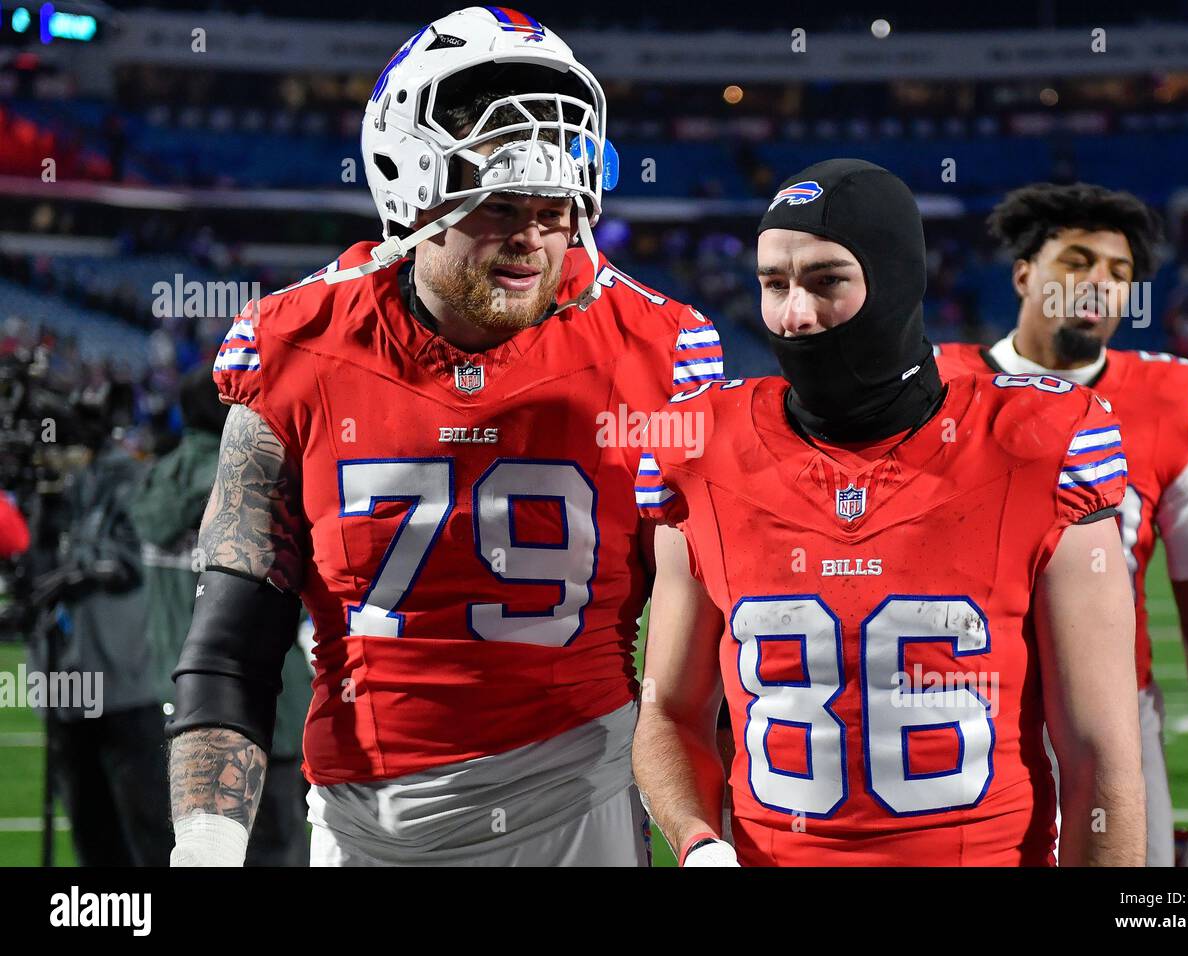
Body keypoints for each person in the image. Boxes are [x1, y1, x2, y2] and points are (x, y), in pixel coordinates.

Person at [166, 7, 724, 867]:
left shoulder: (658, 348)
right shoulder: (297, 342)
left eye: (554, 208)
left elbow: (708, 646)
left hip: (582, 805)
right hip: (364, 824)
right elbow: (233, 643)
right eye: (499, 206)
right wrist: (204, 847)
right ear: (412, 191)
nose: (533, 239)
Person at [632, 159, 1144, 866]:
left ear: (896, 278)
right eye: (774, 284)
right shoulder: (699, 448)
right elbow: (669, 711)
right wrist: (696, 842)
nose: (795, 314)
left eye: (826, 280)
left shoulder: (1034, 444)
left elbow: (1099, 755)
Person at [935, 182, 1188, 867]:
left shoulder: (1170, 397)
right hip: (966, 708)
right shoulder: (938, 385)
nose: (1098, 284)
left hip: (1119, 718)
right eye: (1077, 261)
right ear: (1024, 273)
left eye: (1120, 275)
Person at [131, 366, 313, 866]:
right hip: (261, 704)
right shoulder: (246, 471)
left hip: (177, 697)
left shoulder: (152, 479)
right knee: (278, 849)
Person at [29, 396, 172, 867]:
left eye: (54, 450)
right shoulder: (51, 498)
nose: (45, 463)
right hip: (66, 691)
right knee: (92, 835)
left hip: (127, 687)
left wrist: (80, 571)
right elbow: (34, 576)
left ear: (80, 448)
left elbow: (132, 558)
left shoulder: (125, 479)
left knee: (149, 831)